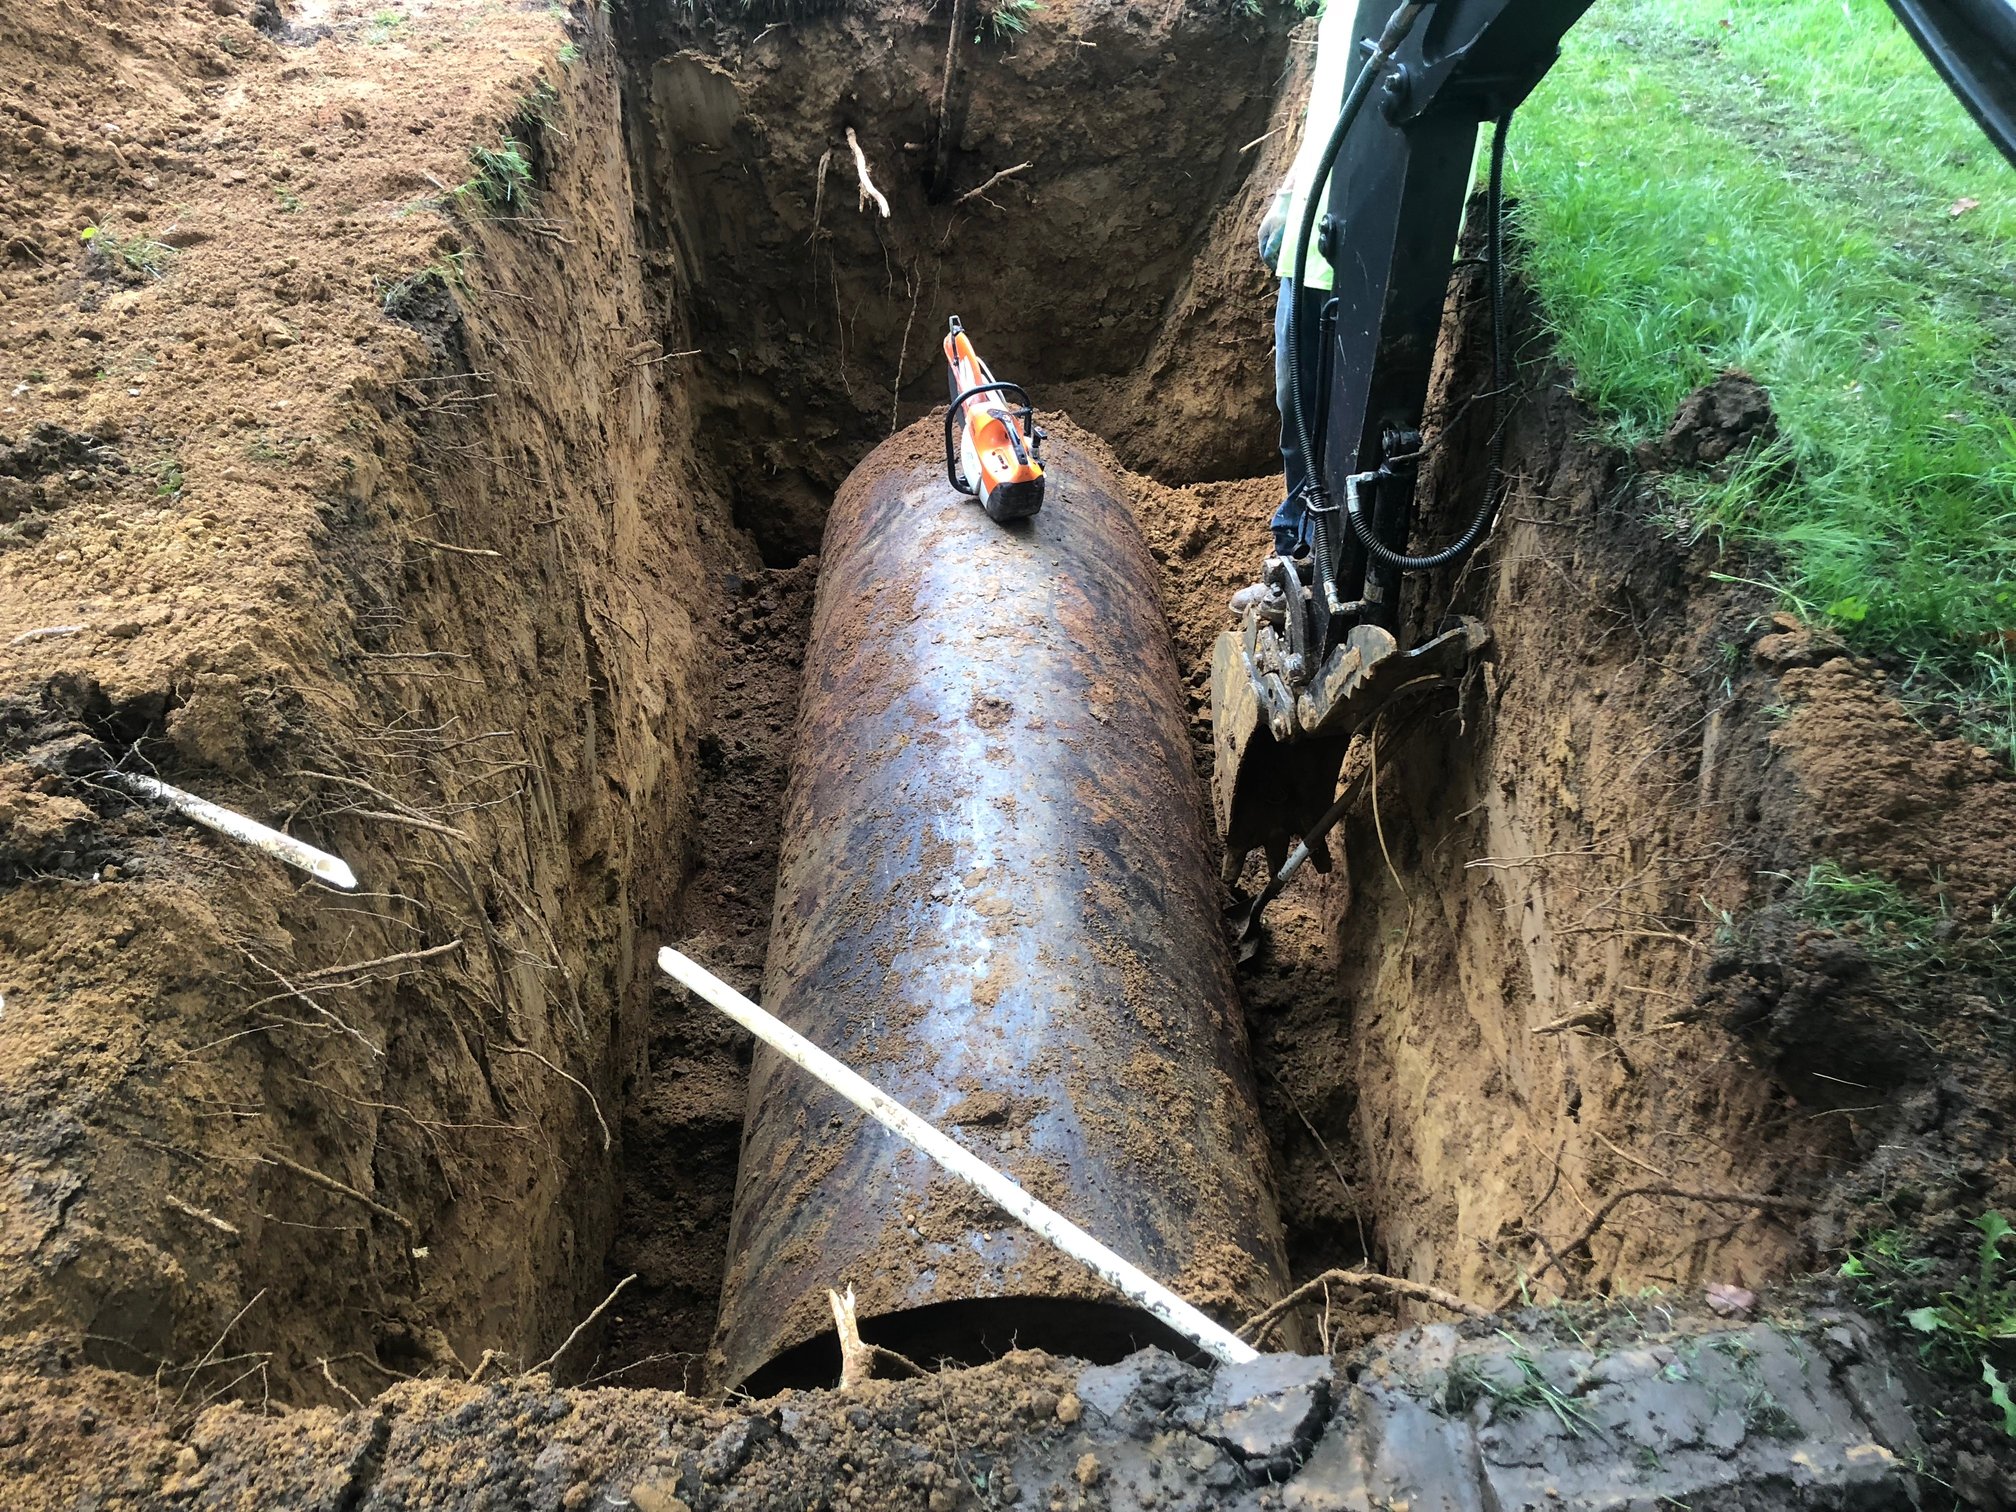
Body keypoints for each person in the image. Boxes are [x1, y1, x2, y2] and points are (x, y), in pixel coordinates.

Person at [1233, 0, 1355, 618]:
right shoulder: (1341, 11)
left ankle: (1322, 566)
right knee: (1296, 406)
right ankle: (1299, 555)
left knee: (1342, 421)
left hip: (1364, 254)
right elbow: (1329, 111)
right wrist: (1287, 192)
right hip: (1308, 248)